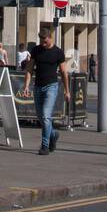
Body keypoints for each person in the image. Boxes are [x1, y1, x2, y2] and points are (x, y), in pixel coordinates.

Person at [22, 26, 70, 155]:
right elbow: (29, 70)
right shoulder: (36, 50)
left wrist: (67, 90)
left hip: (52, 86)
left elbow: (64, 72)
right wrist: (26, 86)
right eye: (41, 41)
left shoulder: (58, 52)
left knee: (45, 116)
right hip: (38, 87)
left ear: (50, 37)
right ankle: (53, 135)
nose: (43, 43)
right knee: (42, 118)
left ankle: (45, 146)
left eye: (45, 41)